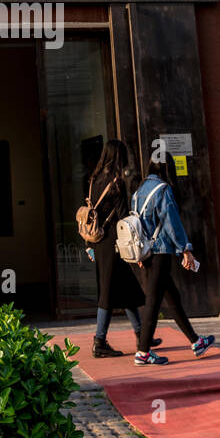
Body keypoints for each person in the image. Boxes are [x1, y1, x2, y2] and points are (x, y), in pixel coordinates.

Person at [132, 156, 215, 365]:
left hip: (146, 252)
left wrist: (139, 254)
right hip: (160, 252)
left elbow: (136, 222)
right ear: (167, 170)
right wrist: (185, 249)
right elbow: (172, 222)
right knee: (153, 302)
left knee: (173, 298)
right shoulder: (162, 190)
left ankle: (196, 342)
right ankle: (143, 352)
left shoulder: (138, 191)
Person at [85, 140, 158, 358]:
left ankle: (141, 334)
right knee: (107, 293)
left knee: (126, 287)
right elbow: (123, 214)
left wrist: (89, 245)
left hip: (99, 242)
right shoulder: (115, 182)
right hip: (113, 244)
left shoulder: (94, 179)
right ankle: (99, 342)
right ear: (119, 157)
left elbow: (92, 212)